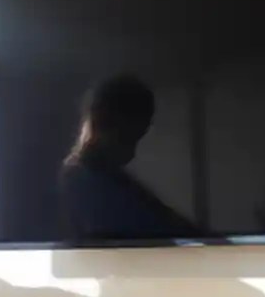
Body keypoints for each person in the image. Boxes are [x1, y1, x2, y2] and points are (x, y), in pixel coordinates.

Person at [59, 74, 203, 241]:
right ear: (104, 124)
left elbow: (171, 223)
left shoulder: (117, 180)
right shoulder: (84, 182)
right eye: (128, 138)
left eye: (137, 138)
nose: (132, 152)